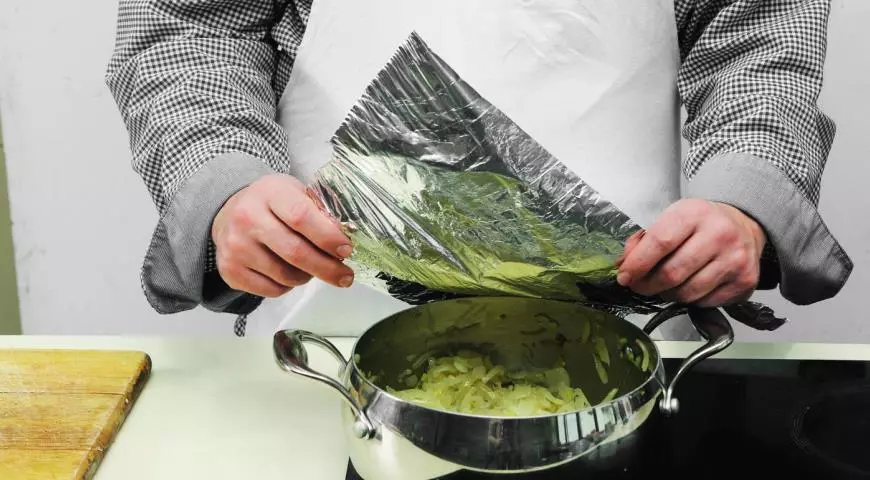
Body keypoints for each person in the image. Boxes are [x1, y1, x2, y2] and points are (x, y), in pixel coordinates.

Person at [105, 0, 852, 338]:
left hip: (631, 321)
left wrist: (742, 202)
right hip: (326, 320)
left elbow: (759, 38)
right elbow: (188, 29)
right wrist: (228, 185)